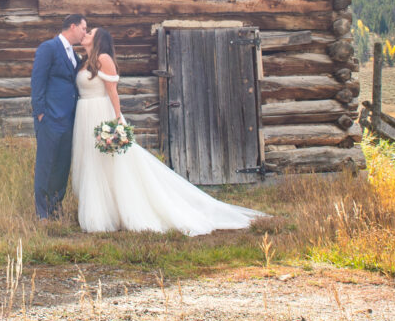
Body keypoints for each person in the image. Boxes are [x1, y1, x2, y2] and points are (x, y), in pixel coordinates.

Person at [70, 27, 264, 236]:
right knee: (92, 162)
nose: (86, 34)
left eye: (91, 33)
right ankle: (102, 211)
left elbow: (113, 93)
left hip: (101, 114)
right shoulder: (83, 61)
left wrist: (118, 122)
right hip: (84, 116)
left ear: (99, 39)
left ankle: (105, 216)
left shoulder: (103, 58)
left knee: (108, 164)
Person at [30, 14, 88, 220]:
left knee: (62, 165)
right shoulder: (49, 48)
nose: (85, 33)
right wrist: (40, 114)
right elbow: (38, 81)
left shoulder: (74, 54)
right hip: (50, 118)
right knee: (46, 164)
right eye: (83, 28)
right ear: (72, 26)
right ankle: (42, 214)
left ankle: (56, 208)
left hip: (69, 119)